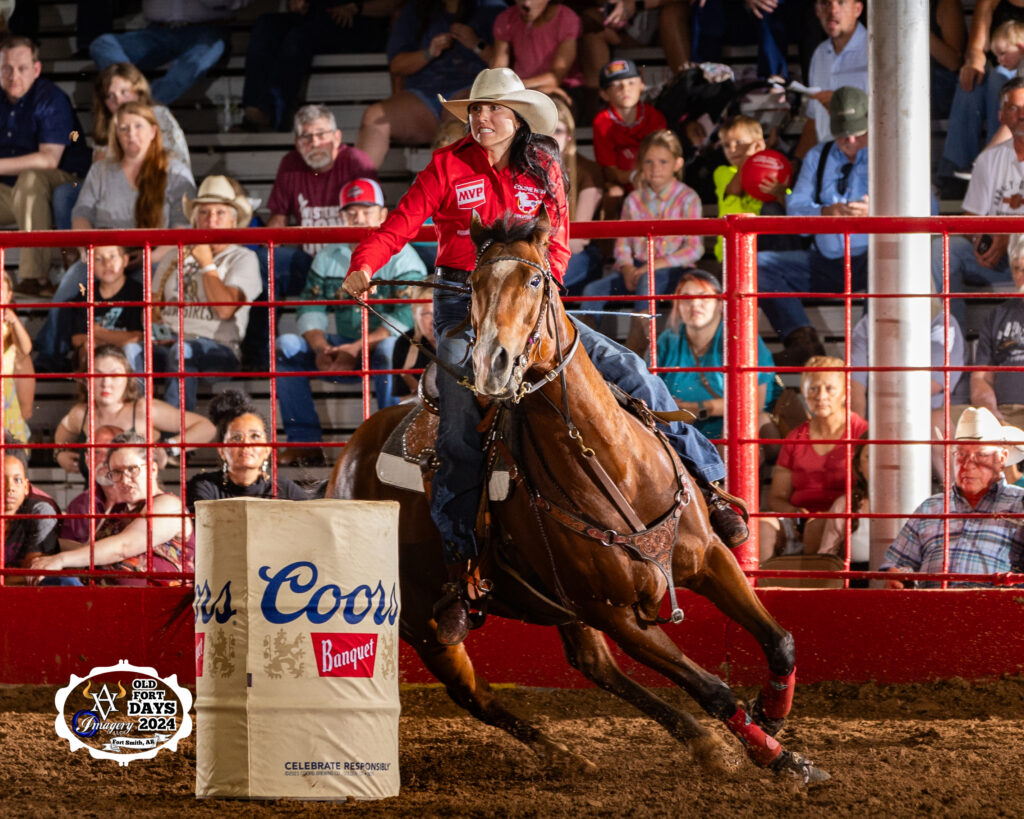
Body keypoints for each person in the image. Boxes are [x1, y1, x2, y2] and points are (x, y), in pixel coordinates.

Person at [342, 67, 740, 646]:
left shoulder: (544, 165)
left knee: (632, 371)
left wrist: (534, 295)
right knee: (456, 427)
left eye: (493, 110)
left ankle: (712, 485)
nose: (481, 119)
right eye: (476, 110)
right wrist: (365, 264)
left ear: (517, 117)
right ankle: (462, 570)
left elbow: (558, 240)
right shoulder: (449, 165)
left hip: (532, 302)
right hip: (464, 302)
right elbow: (401, 223)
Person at [276, 177, 428, 465]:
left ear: (383, 215)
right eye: (350, 212)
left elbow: (408, 315)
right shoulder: (328, 256)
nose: (358, 218)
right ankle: (304, 442)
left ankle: (389, 439)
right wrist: (322, 347)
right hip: (342, 347)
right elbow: (311, 304)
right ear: (340, 216)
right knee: (286, 346)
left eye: (366, 210)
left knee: (388, 351)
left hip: (380, 345)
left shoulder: (403, 257)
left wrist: (356, 347)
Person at [36, 101, 195, 372]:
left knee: (154, 284)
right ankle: (52, 353)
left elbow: (183, 225)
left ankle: (150, 359)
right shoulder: (101, 171)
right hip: (107, 252)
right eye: (123, 128)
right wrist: (89, 245)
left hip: (157, 253)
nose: (130, 134)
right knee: (70, 283)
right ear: (116, 134)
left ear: (154, 131)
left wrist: (148, 257)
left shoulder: (175, 171)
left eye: (137, 127)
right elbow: (82, 211)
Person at [247, 104, 377, 369]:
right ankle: (259, 355)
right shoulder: (290, 164)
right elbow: (279, 220)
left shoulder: (355, 161)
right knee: (264, 261)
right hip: (308, 263)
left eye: (321, 134)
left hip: (348, 261)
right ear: (297, 143)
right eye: (307, 137)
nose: (315, 142)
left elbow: (371, 213)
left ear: (337, 137)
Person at [756, 86, 869, 366]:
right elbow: (795, 211)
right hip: (825, 261)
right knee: (754, 265)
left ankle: (870, 351)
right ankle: (802, 340)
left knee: (891, 277)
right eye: (843, 135)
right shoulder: (818, 156)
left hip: (875, 262)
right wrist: (826, 212)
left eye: (859, 133)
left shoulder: (894, 156)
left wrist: (874, 212)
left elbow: (927, 210)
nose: (851, 141)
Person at [143, 175, 263, 411]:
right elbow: (151, 307)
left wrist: (207, 265)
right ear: (195, 220)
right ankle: (134, 435)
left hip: (217, 349)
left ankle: (177, 441)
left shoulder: (243, 258)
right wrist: (156, 332)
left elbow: (225, 309)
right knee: (130, 352)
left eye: (220, 213)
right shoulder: (173, 256)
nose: (211, 220)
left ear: (233, 220)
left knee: (182, 351)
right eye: (204, 213)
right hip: (169, 343)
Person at [583, 129, 702, 353]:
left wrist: (654, 266)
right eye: (648, 161)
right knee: (593, 289)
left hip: (673, 272)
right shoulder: (634, 200)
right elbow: (623, 243)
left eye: (663, 162)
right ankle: (591, 350)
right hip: (636, 272)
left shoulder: (688, 198)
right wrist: (627, 267)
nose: (655, 168)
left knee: (647, 281)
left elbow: (694, 249)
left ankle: (637, 347)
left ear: (678, 164)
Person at [881, 406, 1024, 588]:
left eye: (980, 455)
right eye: (961, 454)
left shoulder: (1020, 503)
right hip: (931, 610)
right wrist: (900, 575)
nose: (968, 464)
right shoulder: (931, 507)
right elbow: (897, 565)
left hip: (995, 610)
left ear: (1002, 458)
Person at [354, 0, 506, 169]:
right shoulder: (415, 10)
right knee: (374, 116)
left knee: (456, 126)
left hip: (470, 93)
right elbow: (397, 65)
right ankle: (360, 190)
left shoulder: (492, 8)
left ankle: (455, 191)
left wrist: (477, 44)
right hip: (424, 98)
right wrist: (428, 53)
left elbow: (507, 70)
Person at [30, 431, 194, 587]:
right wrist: (44, 542)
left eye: (132, 469)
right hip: (102, 600)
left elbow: (124, 547)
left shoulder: (168, 505)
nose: (124, 479)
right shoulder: (119, 510)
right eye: (116, 472)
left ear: (152, 469)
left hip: (157, 607)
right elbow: (89, 551)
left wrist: (60, 560)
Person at [0, 35, 90, 296]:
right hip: (15, 194)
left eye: (22, 68)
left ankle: (34, 278)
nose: (13, 75)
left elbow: (48, 159)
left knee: (31, 179)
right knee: (26, 187)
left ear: (36, 69)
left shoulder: (51, 98)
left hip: (61, 182)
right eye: (6, 68)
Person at [931, 77, 1024, 329]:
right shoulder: (989, 160)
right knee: (941, 249)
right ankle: (953, 344)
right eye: (1014, 108)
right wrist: (981, 239)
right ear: (1002, 116)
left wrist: (1009, 235)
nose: (1022, 115)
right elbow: (969, 219)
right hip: (999, 259)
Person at [759, 356, 868, 561]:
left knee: (818, 528)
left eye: (829, 389)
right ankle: (758, 590)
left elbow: (871, 493)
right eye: (813, 389)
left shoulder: (862, 433)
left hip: (847, 522)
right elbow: (776, 497)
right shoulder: (795, 437)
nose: (820, 396)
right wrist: (796, 513)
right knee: (759, 529)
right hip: (798, 521)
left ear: (845, 392)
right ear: (804, 393)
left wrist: (825, 519)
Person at [53, 345, 216, 476]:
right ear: (87, 380)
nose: (106, 383)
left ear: (127, 378)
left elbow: (207, 427)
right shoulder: (81, 414)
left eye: (115, 375)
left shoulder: (143, 410)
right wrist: (59, 454)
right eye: (97, 375)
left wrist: (168, 447)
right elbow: (61, 435)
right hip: (95, 507)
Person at [656, 271, 779, 444]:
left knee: (735, 430)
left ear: (720, 304)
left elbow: (752, 403)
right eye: (686, 298)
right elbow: (650, 393)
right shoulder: (667, 340)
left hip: (730, 434)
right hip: (677, 434)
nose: (694, 303)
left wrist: (700, 408)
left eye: (703, 296)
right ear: (677, 305)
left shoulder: (742, 339)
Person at [238, 0, 397, 133]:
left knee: (298, 39)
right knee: (266, 24)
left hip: (358, 22)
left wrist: (356, 7)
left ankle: (277, 114)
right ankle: (254, 109)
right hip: (316, 17)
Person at [938, 0, 1024, 184]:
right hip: (1001, 70)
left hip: (1015, 79)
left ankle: (999, 164)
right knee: (970, 80)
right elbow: (976, 49)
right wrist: (974, 63)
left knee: (998, 82)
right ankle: (954, 168)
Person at [88, 0, 240, 105]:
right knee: (103, 44)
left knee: (189, 67)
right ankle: (132, 93)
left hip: (208, 30)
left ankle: (141, 105)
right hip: (158, 31)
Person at [186, 389, 307, 511]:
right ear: (221, 451)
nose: (246, 443)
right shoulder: (205, 486)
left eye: (255, 436)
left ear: (267, 449)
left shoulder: (286, 490)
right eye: (236, 437)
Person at [591, 58, 667, 217]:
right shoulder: (602, 122)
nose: (625, 89)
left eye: (631, 82)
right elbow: (611, 171)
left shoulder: (655, 117)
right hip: (621, 183)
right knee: (613, 193)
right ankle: (612, 241)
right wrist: (635, 176)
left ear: (642, 85)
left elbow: (663, 158)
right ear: (604, 94)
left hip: (653, 177)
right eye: (616, 85)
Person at [963, 233, 1024, 431]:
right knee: (938, 420)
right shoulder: (997, 315)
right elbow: (981, 378)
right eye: (1017, 269)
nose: (1021, 277)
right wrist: (990, 412)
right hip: (1004, 413)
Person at [795, 0, 866, 158]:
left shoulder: (876, 50)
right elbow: (813, 118)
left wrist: (842, 105)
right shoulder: (819, 54)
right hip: (827, 162)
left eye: (841, 2)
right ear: (817, 10)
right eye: (826, 3)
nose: (833, 10)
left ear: (858, 9)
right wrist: (798, 163)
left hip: (867, 161)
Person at [713, 114, 789, 263]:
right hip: (734, 245)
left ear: (758, 144)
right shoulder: (723, 172)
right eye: (726, 145)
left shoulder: (773, 169)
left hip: (766, 243)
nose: (732, 149)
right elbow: (734, 189)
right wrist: (748, 156)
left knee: (771, 209)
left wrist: (779, 192)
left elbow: (787, 209)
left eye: (739, 142)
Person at [550, 95, 603, 295]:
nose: (551, 137)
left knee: (540, 287)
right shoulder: (525, 170)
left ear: (569, 136)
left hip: (579, 256)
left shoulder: (587, 171)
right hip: (540, 255)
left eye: (558, 131)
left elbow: (577, 242)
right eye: (544, 130)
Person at [66, 245, 144, 370]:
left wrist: (98, 332)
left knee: (131, 348)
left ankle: (132, 390)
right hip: (97, 350)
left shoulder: (137, 293)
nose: (107, 263)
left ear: (125, 260)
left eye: (112, 257)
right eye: (98, 259)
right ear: (90, 263)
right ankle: (89, 389)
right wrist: (108, 342)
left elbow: (136, 337)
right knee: (87, 347)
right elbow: (77, 338)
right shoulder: (85, 294)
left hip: (125, 352)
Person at [491, 0, 582, 98]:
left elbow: (555, 78)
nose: (527, 3)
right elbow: (498, 68)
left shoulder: (567, 19)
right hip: (519, 91)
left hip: (562, 90)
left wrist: (514, 88)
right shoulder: (506, 19)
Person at [816, 433, 869, 585]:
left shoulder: (914, 503)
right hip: (854, 585)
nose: (877, 464)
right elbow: (827, 556)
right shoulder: (846, 504)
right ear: (858, 465)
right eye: (869, 457)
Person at [59, 423, 122, 545]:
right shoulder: (79, 506)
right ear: (87, 459)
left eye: (110, 452)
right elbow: (65, 547)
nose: (103, 459)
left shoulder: (138, 500)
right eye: (97, 452)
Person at [3, 441, 60, 577]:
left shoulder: (40, 511)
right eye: (1, 479)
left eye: (17, 480)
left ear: (26, 487)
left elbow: (32, 574)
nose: (9, 488)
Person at [388, 286, 437, 402]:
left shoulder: (463, 341)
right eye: (427, 314)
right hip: (421, 409)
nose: (434, 321)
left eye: (440, 313)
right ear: (414, 312)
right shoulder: (404, 343)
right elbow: (404, 400)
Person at [1, 271, 33, 441]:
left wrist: (13, 320)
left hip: (9, 416)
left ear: (9, 295)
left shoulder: (10, 328)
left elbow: (25, 348)